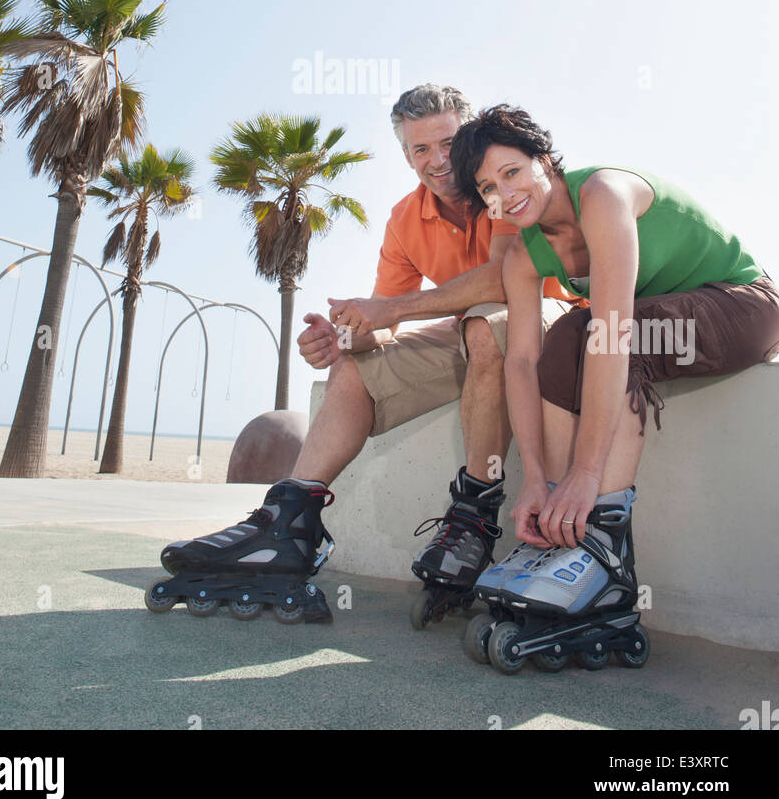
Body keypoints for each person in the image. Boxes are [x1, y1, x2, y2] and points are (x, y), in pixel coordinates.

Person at [337, 103, 779, 655]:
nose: (506, 193)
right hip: (655, 317)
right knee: (565, 338)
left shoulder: (603, 195)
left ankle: (604, 551)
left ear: (543, 159)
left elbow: (616, 334)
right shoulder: (524, 252)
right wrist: (539, 482)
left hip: (743, 306)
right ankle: (560, 535)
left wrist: (585, 475)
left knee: (606, 333)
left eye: (513, 172)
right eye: (489, 188)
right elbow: (522, 363)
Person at [156, 86, 579, 626]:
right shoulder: (405, 219)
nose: (437, 160)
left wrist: (393, 309)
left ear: (469, 139)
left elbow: (500, 277)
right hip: (477, 333)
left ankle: (472, 520)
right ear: (406, 156)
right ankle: (290, 523)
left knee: (482, 325)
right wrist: (347, 338)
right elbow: (383, 320)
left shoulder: (499, 187)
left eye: (447, 143)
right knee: (355, 365)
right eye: (419, 150)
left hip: (551, 317)